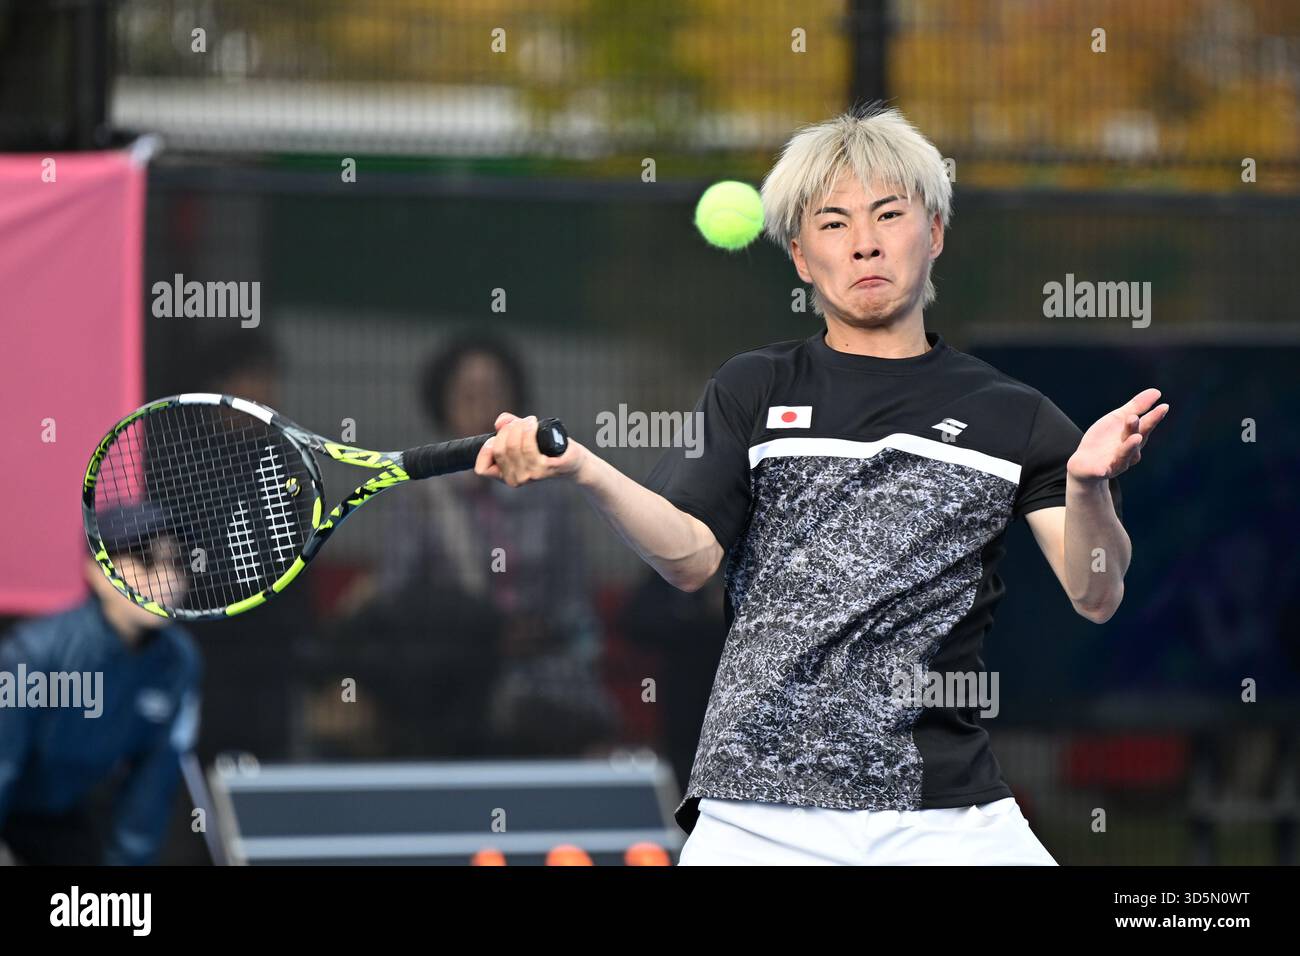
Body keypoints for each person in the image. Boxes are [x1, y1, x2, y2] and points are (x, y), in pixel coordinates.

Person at [473, 104, 1170, 865]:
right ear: (803, 257)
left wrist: (1088, 487)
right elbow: (689, 558)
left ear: (933, 233)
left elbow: (1096, 593)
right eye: (834, 223)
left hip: (943, 809)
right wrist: (583, 466)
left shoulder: (1016, 417)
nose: (865, 241)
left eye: (888, 214)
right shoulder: (754, 386)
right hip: (759, 810)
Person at [0, 503, 201, 864]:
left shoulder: (179, 662)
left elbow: (151, 788)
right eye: (144, 559)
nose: (166, 579)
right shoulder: (33, 654)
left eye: (177, 562)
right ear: (95, 570)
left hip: (72, 824)